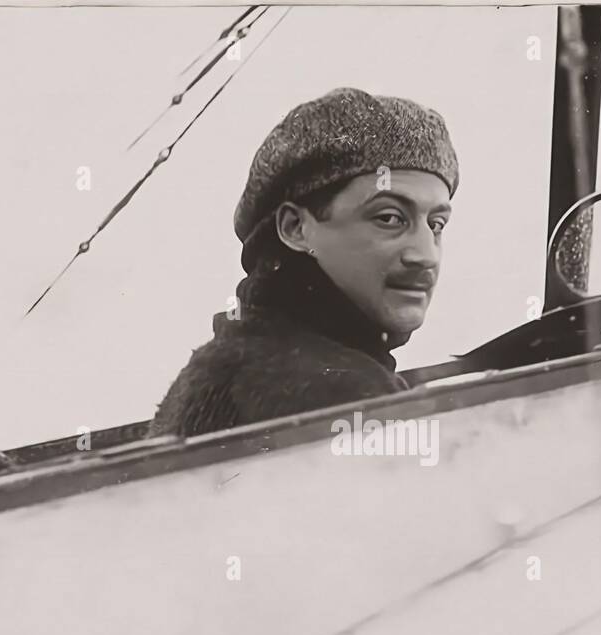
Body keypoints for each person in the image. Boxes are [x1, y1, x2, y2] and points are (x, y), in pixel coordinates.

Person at [149, 87, 459, 438]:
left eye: (436, 225)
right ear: (295, 228)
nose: (425, 255)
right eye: (389, 218)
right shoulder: (341, 393)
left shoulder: (223, 363)